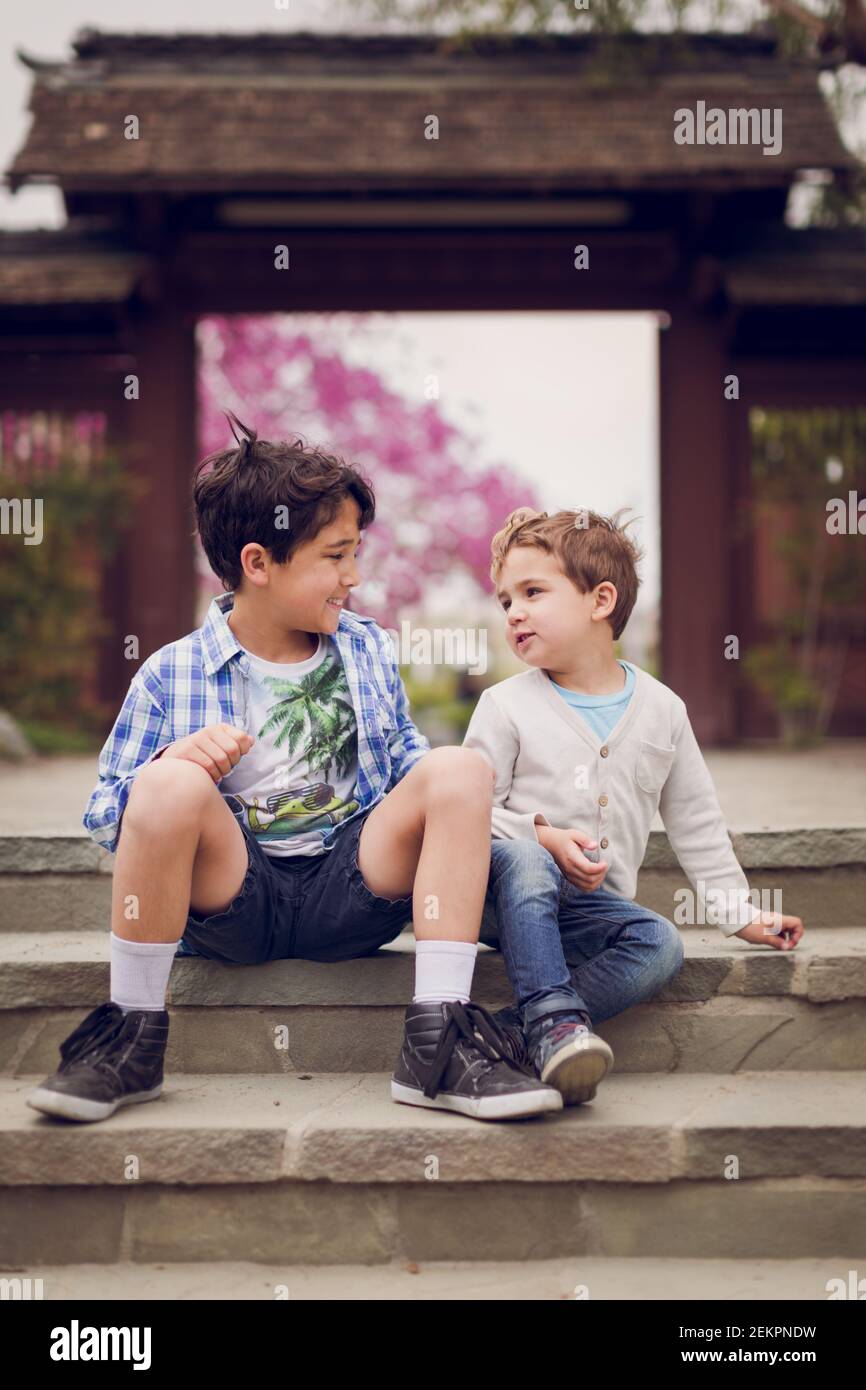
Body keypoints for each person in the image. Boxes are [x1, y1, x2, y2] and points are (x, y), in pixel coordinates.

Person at [26, 420, 562, 1125]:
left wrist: (525, 832)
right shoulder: (172, 672)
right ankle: (131, 1037)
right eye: (336, 555)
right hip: (235, 902)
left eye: (356, 554)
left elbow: (409, 769)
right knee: (163, 782)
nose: (355, 576)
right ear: (258, 562)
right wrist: (174, 762)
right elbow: (104, 818)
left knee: (458, 767)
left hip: (350, 889)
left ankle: (438, 1042)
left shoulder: (366, 651)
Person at [463, 506, 805, 1105]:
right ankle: (554, 1025)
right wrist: (541, 836)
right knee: (528, 862)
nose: (513, 611)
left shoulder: (664, 709)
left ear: (600, 601)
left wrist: (741, 913)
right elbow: (464, 811)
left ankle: (509, 1035)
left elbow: (695, 819)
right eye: (505, 600)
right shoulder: (504, 705)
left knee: (660, 946)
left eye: (533, 591)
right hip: (505, 897)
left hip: (593, 912)